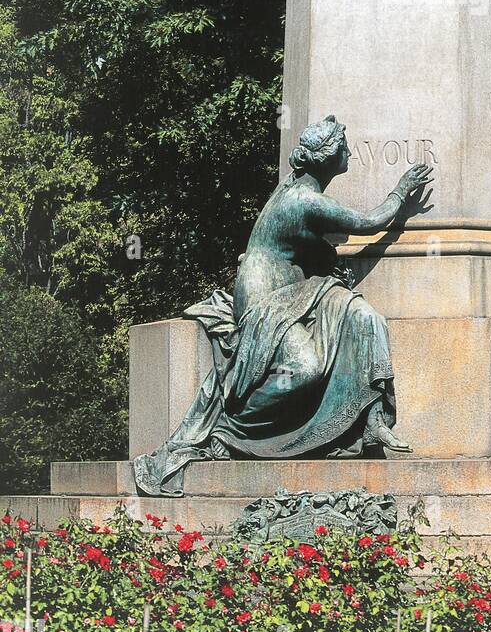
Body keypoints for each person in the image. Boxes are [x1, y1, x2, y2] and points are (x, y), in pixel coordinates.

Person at [133, 115, 431, 497]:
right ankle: (230, 425)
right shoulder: (304, 200)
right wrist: (402, 191)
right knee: (303, 369)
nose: (350, 152)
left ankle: (371, 417)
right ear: (327, 157)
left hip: (304, 292)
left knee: (364, 315)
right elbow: (370, 222)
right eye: (343, 146)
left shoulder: (299, 189)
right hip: (268, 304)